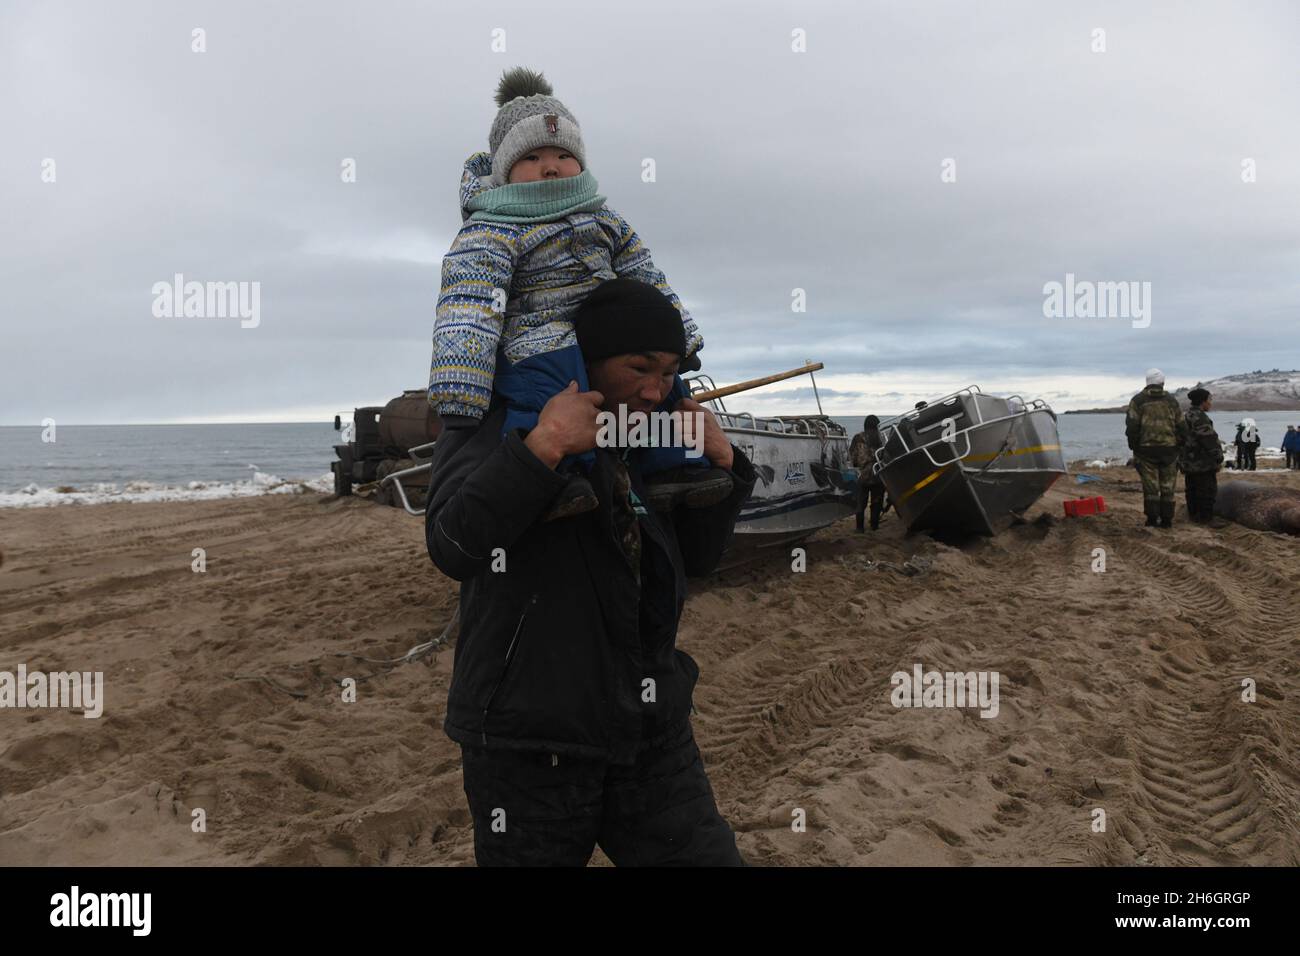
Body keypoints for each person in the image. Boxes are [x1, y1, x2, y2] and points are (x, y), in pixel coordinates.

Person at [424, 279, 757, 867]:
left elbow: (698, 561)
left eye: (670, 371)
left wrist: (727, 466)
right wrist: (543, 446)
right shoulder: (498, 417)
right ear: (593, 359)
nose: (657, 391)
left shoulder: (647, 438)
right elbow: (453, 543)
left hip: (651, 726)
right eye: (640, 367)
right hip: (530, 739)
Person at [427, 67, 724, 520]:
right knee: (549, 386)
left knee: (661, 384)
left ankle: (675, 470)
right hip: (537, 335)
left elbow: (645, 276)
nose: (550, 165)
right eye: (531, 158)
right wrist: (461, 387)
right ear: (505, 171)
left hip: (610, 331)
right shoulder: (493, 229)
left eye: (563, 153)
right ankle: (560, 474)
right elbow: (468, 306)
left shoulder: (604, 218)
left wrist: (679, 340)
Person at [1125, 368, 1189, 528]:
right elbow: (1182, 425)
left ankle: (1152, 519)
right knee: (1168, 487)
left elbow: (1132, 426)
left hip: (1146, 451)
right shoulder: (1171, 401)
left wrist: (1134, 447)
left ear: (1147, 382)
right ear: (1163, 383)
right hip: (1169, 450)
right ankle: (1167, 520)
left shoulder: (1138, 401)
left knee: (1151, 487)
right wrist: (1180, 444)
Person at [1179, 388, 1224, 524]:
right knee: (1207, 491)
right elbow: (1208, 439)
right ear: (1203, 402)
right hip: (1202, 463)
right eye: (1209, 400)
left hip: (1189, 461)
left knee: (1191, 489)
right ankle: (1206, 518)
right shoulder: (1200, 417)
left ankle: (1193, 516)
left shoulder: (1186, 415)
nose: (1210, 403)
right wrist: (1218, 455)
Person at [849, 415, 887, 531]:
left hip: (863, 476)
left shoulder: (858, 438)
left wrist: (858, 465)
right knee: (876, 502)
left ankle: (860, 528)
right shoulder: (882, 438)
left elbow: (853, 458)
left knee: (861, 503)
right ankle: (874, 526)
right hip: (878, 475)